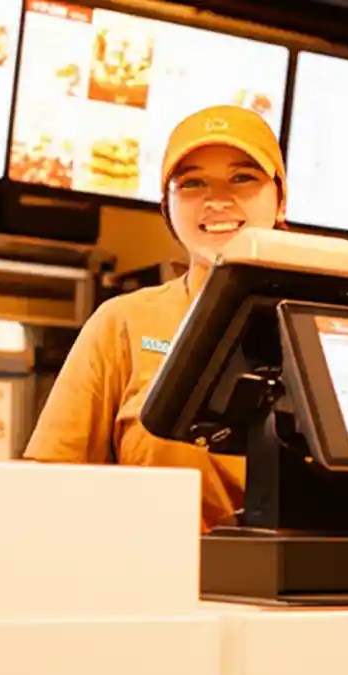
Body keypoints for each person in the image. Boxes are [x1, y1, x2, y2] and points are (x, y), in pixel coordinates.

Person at [24, 105, 286, 530]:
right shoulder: (123, 323)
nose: (217, 198)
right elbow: (49, 483)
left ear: (280, 198)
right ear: (167, 207)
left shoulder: (331, 326)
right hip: (153, 586)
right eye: (193, 182)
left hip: (308, 586)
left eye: (243, 177)